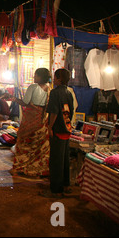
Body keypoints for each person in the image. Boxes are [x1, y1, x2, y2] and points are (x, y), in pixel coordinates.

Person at [11, 68, 51, 177]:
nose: (34, 77)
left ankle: (21, 167)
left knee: (24, 141)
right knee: (36, 143)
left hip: (30, 118)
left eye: (35, 75)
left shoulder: (33, 87)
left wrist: (14, 99)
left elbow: (25, 102)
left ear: (39, 76)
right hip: (40, 119)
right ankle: (36, 169)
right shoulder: (49, 88)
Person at [42, 68, 74, 198]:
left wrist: (50, 127)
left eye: (55, 78)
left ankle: (56, 190)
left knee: (56, 161)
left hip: (58, 129)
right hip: (66, 128)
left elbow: (54, 112)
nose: (53, 80)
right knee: (65, 159)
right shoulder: (69, 93)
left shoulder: (55, 93)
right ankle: (66, 185)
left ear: (59, 79)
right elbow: (70, 111)